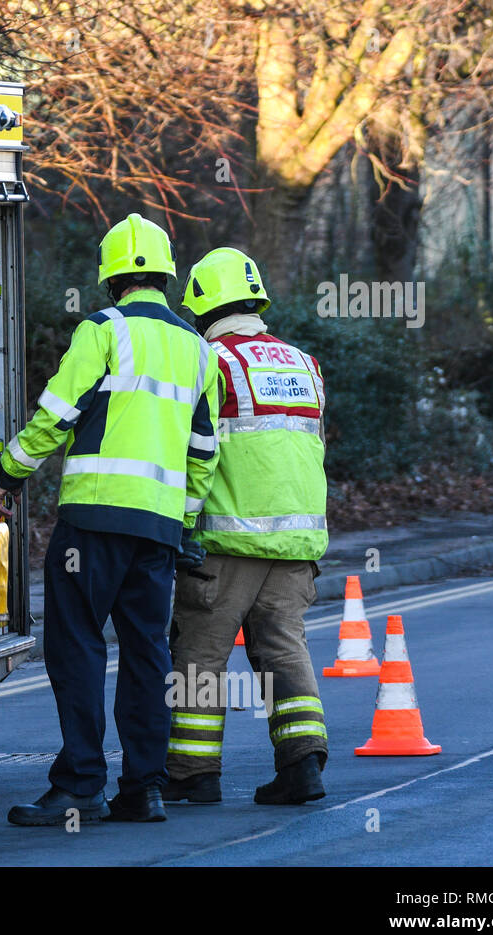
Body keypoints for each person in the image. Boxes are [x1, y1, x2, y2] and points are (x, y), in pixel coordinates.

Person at [0, 214, 220, 825]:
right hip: (157, 532)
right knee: (147, 654)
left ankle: (78, 784)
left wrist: (12, 470)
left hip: (92, 523)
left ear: (111, 276)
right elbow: (204, 455)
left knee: (77, 648)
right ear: (168, 276)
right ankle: (143, 788)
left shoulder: (103, 330)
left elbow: (56, 413)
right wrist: (187, 527)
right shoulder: (200, 352)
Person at [162, 247, 329, 806]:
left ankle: (194, 772)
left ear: (202, 307)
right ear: (255, 299)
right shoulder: (304, 364)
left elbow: (193, 448)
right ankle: (302, 764)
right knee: (283, 648)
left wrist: (181, 524)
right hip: (296, 542)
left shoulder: (211, 363)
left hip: (225, 541)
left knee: (200, 653)